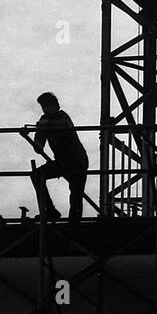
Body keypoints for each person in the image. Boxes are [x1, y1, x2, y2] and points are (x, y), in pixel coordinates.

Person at [29, 92, 89, 223]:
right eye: (43, 107)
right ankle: (49, 210)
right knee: (37, 175)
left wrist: (45, 124)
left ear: (56, 106)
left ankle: (74, 226)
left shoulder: (62, 116)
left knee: (75, 195)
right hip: (61, 162)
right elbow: (39, 146)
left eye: (47, 106)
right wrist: (36, 142)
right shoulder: (44, 121)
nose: (45, 109)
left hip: (77, 161)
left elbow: (64, 125)